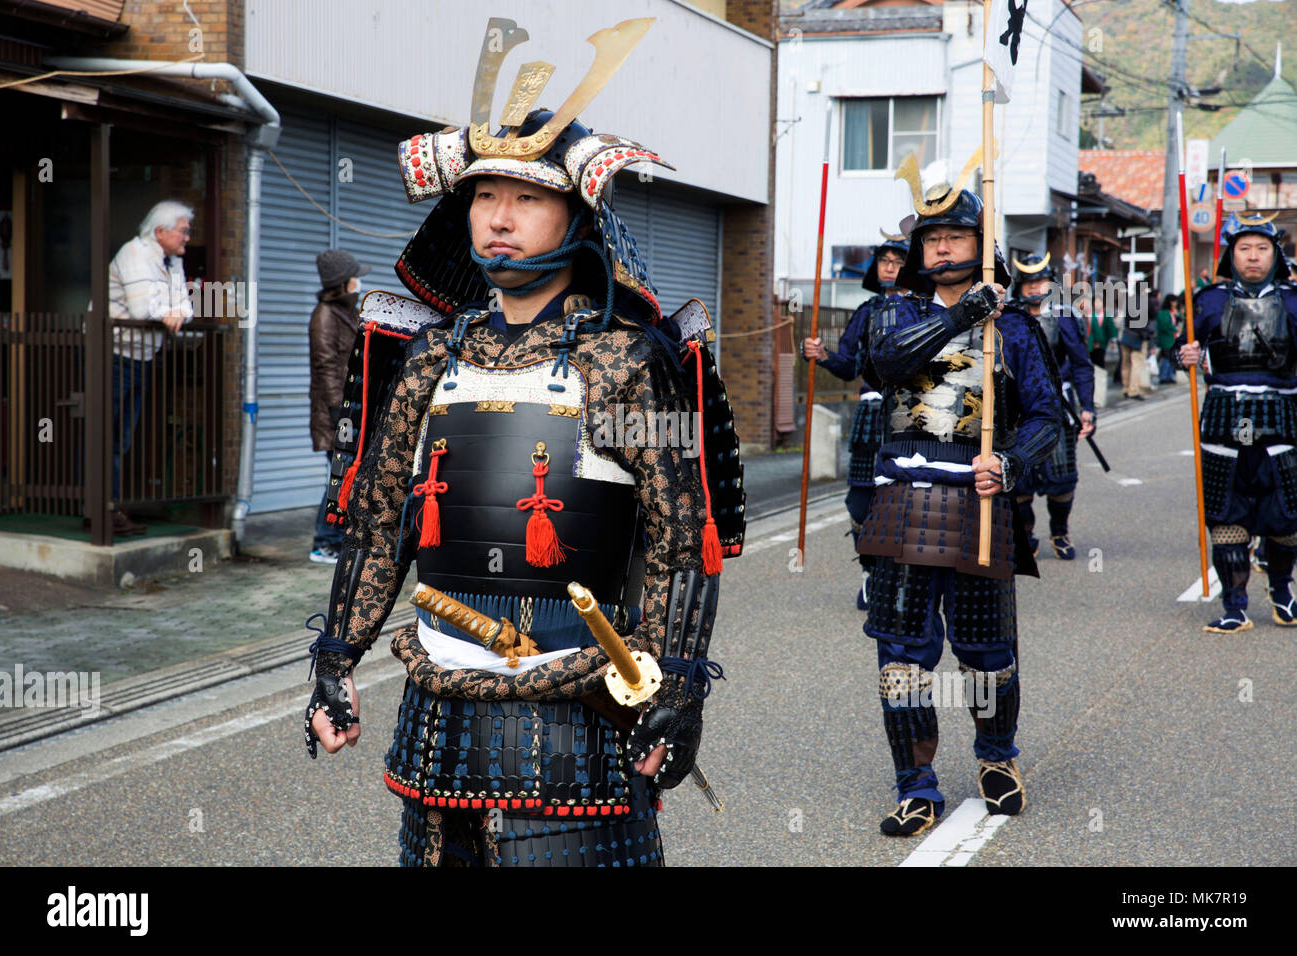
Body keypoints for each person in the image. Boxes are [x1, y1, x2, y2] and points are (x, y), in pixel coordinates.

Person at [304, 17, 739, 867]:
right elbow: (381, 521)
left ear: (573, 212)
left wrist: (680, 686)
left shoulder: (622, 361)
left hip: (582, 723)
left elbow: (679, 541)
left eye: (527, 198)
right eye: (484, 197)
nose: (499, 218)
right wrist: (336, 655)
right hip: (438, 724)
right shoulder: (433, 355)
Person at [855, 184, 1061, 836]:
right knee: (901, 661)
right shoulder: (893, 316)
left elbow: (1045, 417)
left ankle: (997, 759)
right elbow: (885, 365)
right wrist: (960, 314)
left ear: (981, 243)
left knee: (988, 654)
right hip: (901, 503)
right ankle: (915, 786)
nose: (942, 246)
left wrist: (1010, 464)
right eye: (931, 238)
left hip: (979, 501)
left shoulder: (1018, 327)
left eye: (957, 236)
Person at [1177, 217, 1297, 632]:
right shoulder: (1207, 301)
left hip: (1283, 420)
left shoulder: (1295, 301)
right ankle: (1235, 605)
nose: (1252, 256)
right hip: (1224, 419)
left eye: (1261, 249)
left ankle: (1282, 590)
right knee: (1226, 516)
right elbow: (1180, 348)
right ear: (1232, 254)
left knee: (1288, 518)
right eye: (1244, 248)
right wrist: (1185, 356)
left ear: (1274, 254)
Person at [802, 230, 909, 609]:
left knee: (907, 498)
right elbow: (848, 367)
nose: (890, 268)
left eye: (898, 262)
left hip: (912, 416)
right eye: (885, 261)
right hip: (871, 410)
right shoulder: (867, 312)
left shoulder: (928, 309)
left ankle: (904, 577)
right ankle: (869, 574)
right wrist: (823, 354)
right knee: (861, 503)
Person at [103, 200, 195, 536]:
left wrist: (177, 311)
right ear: (161, 231)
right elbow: (143, 308)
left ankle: (111, 509)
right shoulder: (136, 253)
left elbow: (186, 307)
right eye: (183, 230)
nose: (187, 237)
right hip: (111, 354)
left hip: (139, 356)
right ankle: (101, 511)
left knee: (121, 438)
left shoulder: (172, 262)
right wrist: (172, 309)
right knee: (106, 434)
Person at [1008, 253, 1095, 560]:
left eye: (1040, 281)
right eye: (1029, 282)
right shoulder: (1007, 317)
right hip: (1015, 408)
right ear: (1020, 285)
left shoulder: (1064, 316)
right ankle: (1025, 535)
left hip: (1057, 405)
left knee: (1061, 478)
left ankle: (1059, 531)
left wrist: (1087, 407)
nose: (1034, 288)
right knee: (1018, 480)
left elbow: (1082, 365)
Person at [308, 248, 369, 564]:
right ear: (342, 283)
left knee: (346, 474)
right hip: (337, 413)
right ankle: (324, 542)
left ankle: (337, 537)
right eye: (354, 277)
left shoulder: (347, 311)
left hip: (349, 408)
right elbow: (326, 367)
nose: (359, 282)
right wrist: (338, 412)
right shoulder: (325, 316)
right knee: (339, 476)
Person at [1155, 295, 1179, 384]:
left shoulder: (1172, 312)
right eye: (1174, 301)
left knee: (1171, 357)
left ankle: (1169, 376)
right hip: (1166, 338)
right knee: (1166, 357)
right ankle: (1164, 376)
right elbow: (1165, 326)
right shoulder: (1164, 313)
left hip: (1172, 338)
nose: (1176, 303)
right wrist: (1174, 329)